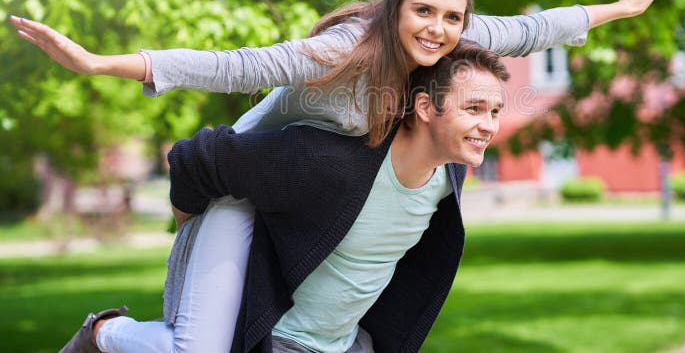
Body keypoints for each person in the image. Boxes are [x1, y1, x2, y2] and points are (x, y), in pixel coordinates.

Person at [14, 0, 665, 352]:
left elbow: (533, 29)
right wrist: (101, 64)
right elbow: (236, 65)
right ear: (394, 8)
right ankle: (103, 333)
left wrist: (621, 8)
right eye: (424, 12)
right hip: (238, 180)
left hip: (300, 193)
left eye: (452, 17)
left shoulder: (455, 41)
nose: (438, 30)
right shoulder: (347, 51)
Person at [64, 41, 510, 353]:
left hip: (349, 344)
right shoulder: (333, 160)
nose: (488, 125)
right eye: (474, 109)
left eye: (494, 111)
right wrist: (188, 227)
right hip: (276, 338)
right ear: (426, 108)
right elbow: (198, 156)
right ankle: (105, 332)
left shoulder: (450, 171)